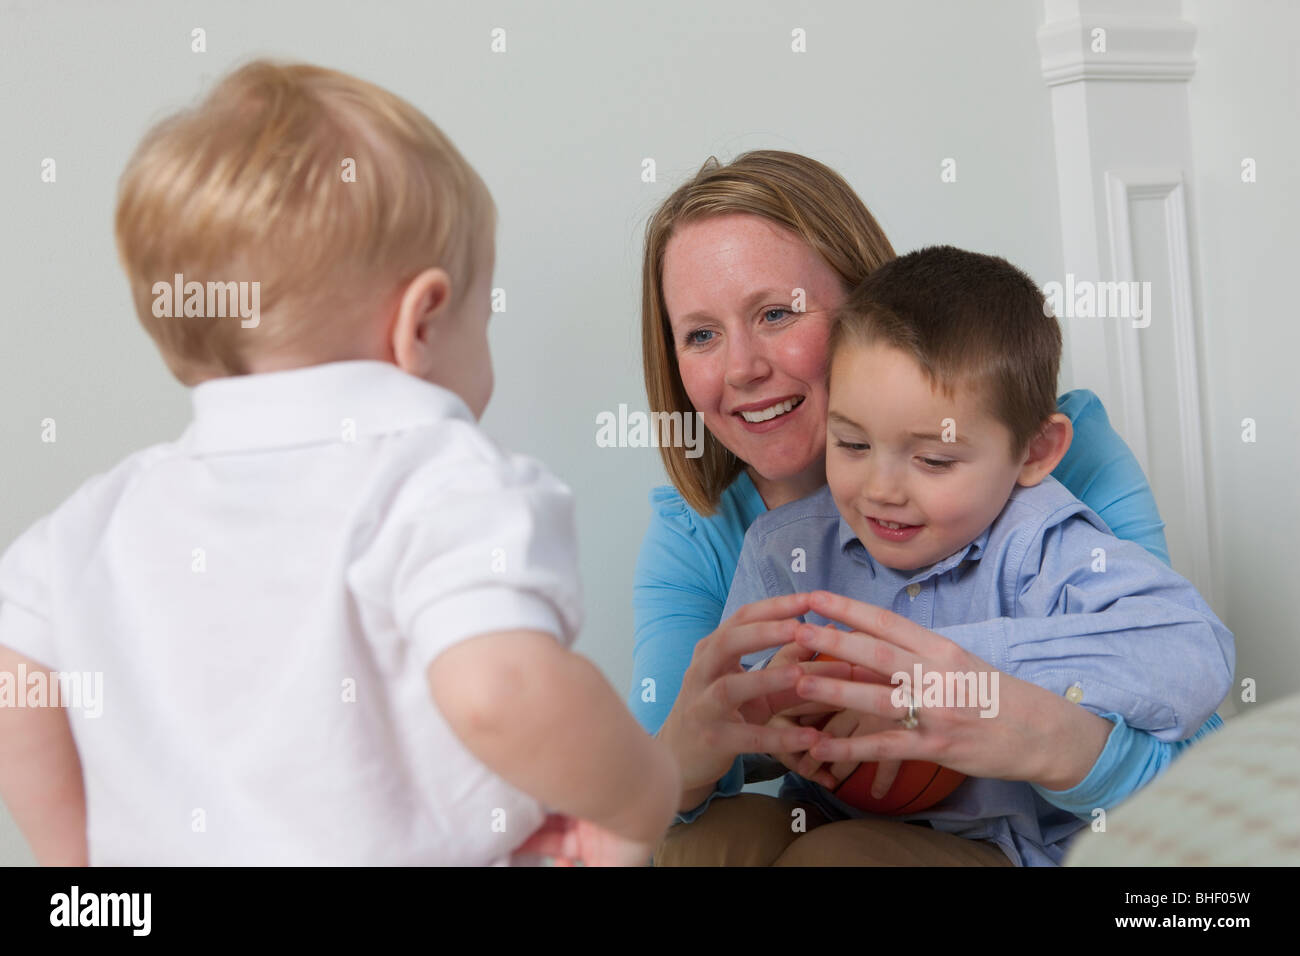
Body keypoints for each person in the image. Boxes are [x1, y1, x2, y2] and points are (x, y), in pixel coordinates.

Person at [0, 58, 678, 866]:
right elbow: (499, 690)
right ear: (420, 322)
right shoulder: (443, 480)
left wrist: (74, 869)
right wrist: (643, 794)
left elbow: (19, 684)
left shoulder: (97, 518)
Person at [630, 149, 1228, 866]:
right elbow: (657, 801)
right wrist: (702, 747)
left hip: (1021, 844)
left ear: (866, 307)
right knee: (703, 847)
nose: (741, 368)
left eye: (777, 312)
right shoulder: (764, 544)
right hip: (826, 819)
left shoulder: (1038, 498)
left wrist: (939, 674)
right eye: (701, 334)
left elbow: (1185, 700)